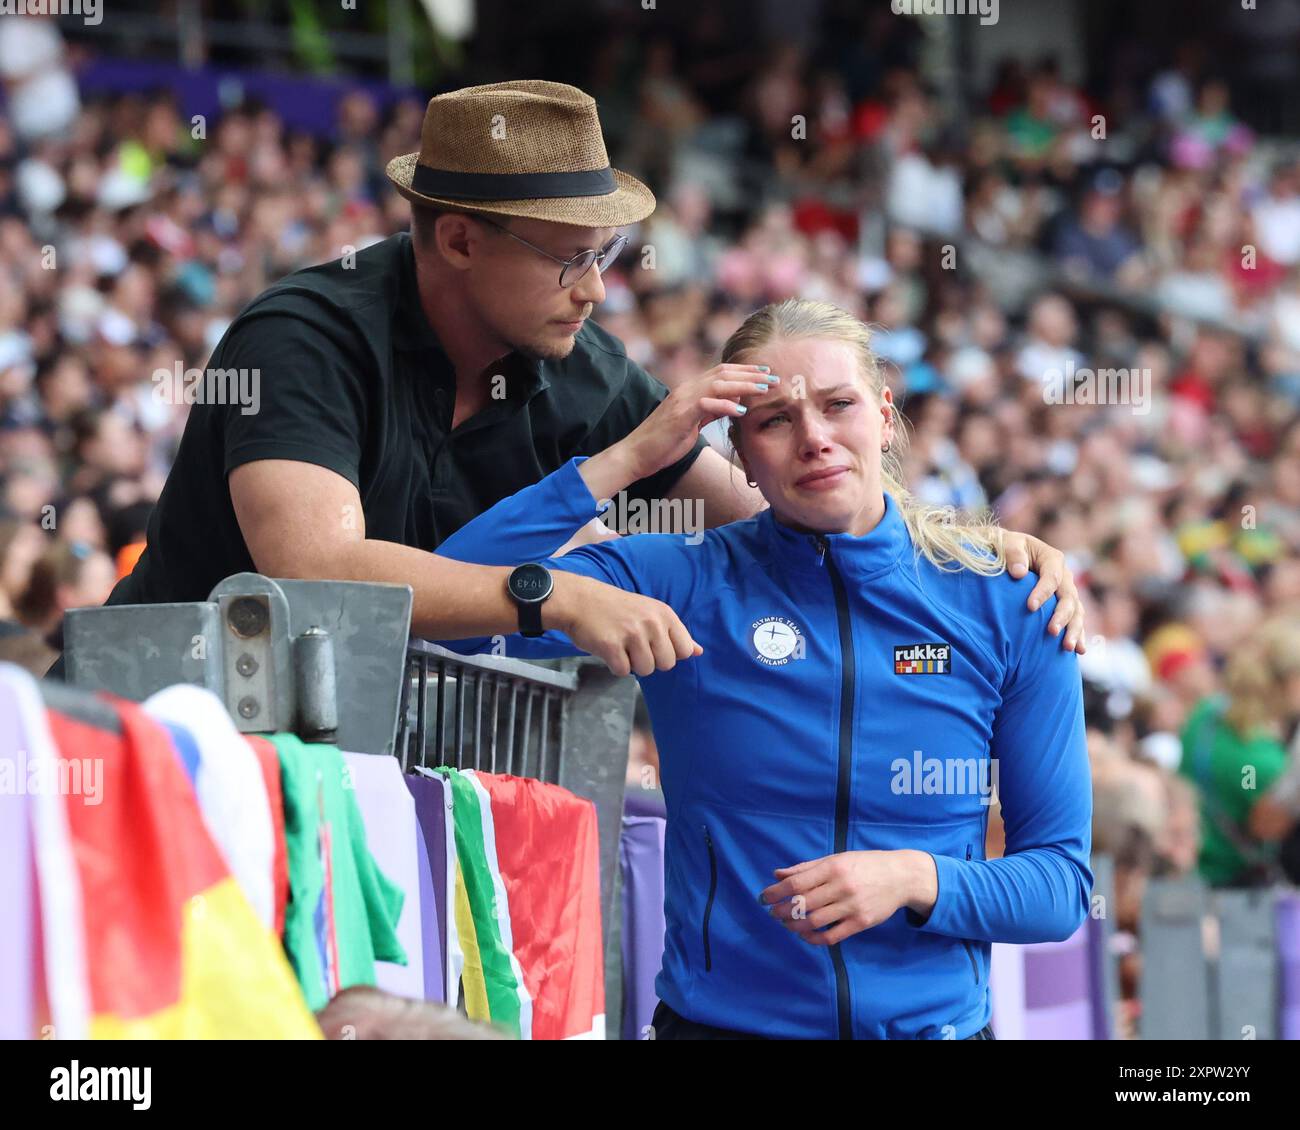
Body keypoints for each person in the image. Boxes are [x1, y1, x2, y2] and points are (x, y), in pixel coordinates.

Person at [44, 80, 1084, 679]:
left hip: (325, 751)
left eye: (606, 255)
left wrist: (976, 547)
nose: (594, 290)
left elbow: (773, 506)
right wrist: (550, 596)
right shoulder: (304, 336)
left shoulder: (578, 367)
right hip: (155, 717)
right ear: (455, 238)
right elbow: (314, 574)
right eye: (567, 257)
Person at [430, 299, 1094, 1039]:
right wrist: (631, 458)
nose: (814, 439)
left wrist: (914, 879)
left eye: (838, 405)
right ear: (740, 456)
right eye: (775, 420)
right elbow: (440, 602)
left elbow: (1059, 886)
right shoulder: (681, 580)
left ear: (883, 415)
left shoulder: (1009, 600)